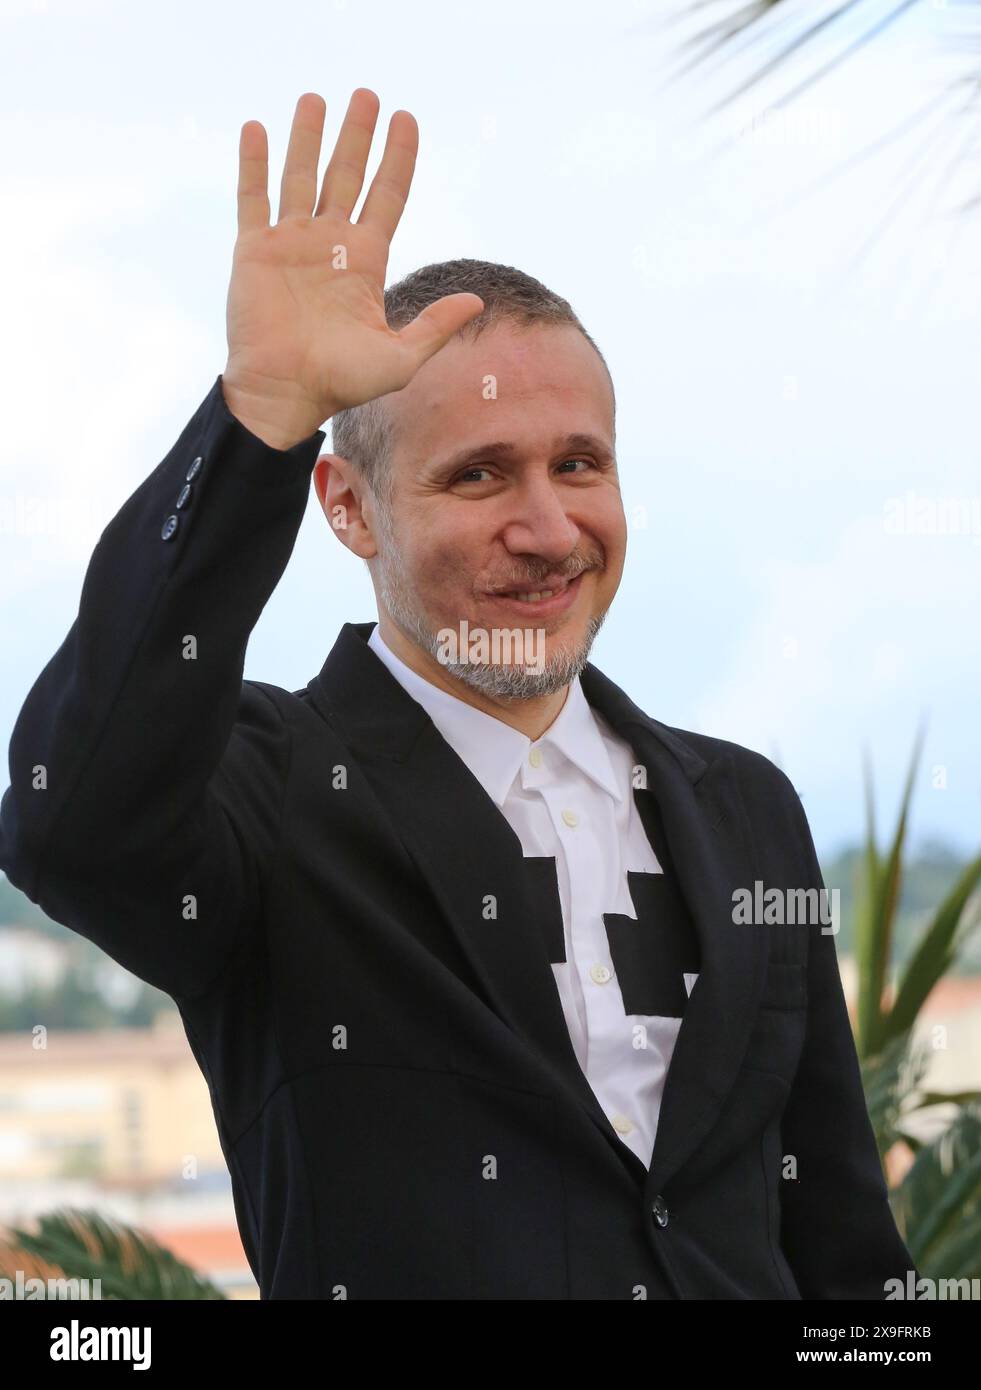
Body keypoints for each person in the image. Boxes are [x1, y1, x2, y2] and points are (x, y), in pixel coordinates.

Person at [0, 88, 916, 1300]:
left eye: (579, 464)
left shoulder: (749, 808)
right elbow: (71, 817)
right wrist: (257, 425)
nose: (548, 528)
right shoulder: (268, 798)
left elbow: (842, 1248)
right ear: (347, 505)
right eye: (479, 474)